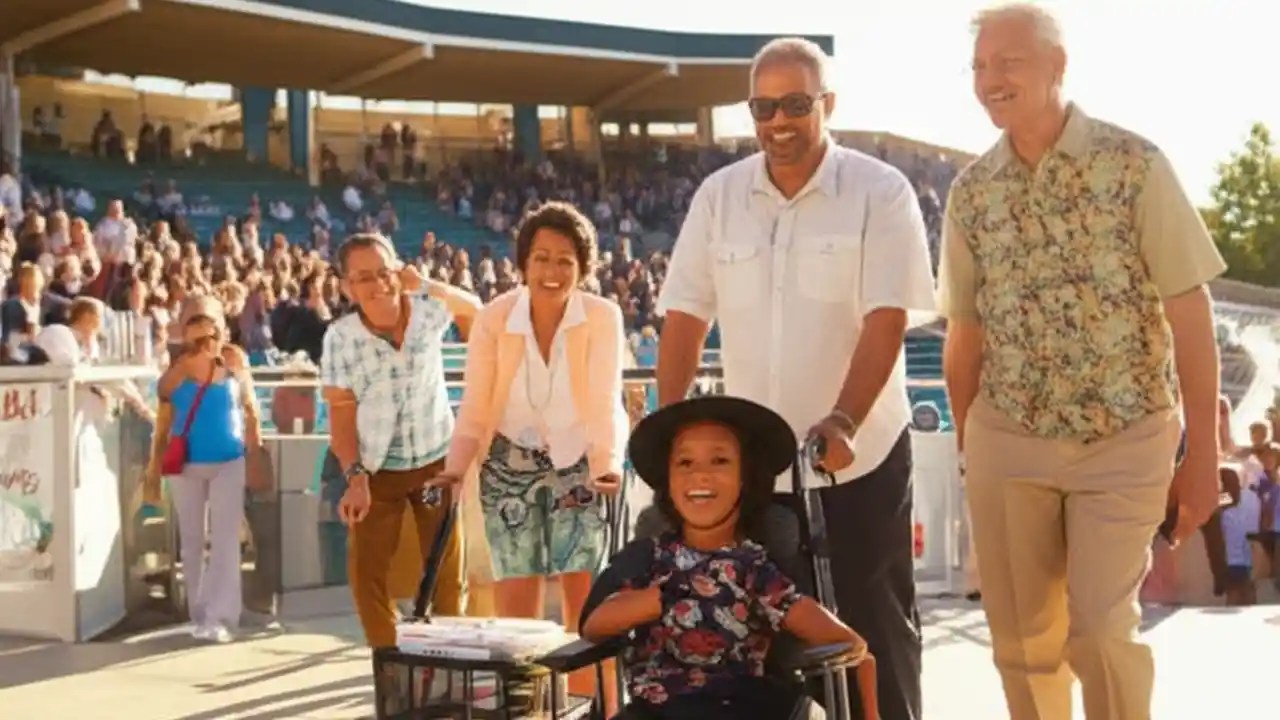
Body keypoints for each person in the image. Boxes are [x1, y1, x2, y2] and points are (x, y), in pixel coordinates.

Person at [936, 5, 1226, 719]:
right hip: (1009, 435)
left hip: (1125, 435)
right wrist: (974, 449)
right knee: (1022, 646)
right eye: (979, 65)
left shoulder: (1134, 164)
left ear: (1059, 67)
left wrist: (1202, 453)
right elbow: (964, 335)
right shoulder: (972, 193)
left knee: (1099, 630)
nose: (990, 79)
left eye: (1009, 61)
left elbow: (1191, 313)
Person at [655, 37, 935, 720]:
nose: (778, 121)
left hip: (859, 460)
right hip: (759, 477)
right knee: (762, 644)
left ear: (827, 105)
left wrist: (844, 417)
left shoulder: (879, 190)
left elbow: (886, 318)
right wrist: (671, 431)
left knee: (874, 632)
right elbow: (685, 318)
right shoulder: (719, 197)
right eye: (763, 106)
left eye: (795, 104)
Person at [430, 201, 628, 702]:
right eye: (541, 257)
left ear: (583, 268)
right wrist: (454, 470)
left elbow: (606, 399)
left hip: (578, 461)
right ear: (523, 263)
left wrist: (606, 464)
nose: (552, 271)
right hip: (507, 463)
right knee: (518, 600)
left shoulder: (603, 316)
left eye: (565, 260)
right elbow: (475, 404)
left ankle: (595, 707)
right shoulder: (495, 317)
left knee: (585, 600)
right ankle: (527, 708)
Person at [582, 395, 875, 720]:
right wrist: (663, 597)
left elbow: (852, 646)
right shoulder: (649, 559)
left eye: (719, 461)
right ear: (668, 481)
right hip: (655, 712)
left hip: (736, 709)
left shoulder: (753, 571)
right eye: (685, 463)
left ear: (745, 479)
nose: (700, 475)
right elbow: (595, 627)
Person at [318, 233, 481, 651]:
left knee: (445, 570)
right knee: (367, 572)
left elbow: (475, 310)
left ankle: (448, 661)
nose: (377, 284)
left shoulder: (427, 311)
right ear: (347, 286)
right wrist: (355, 477)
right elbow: (341, 412)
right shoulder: (340, 337)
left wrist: (425, 284)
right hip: (377, 472)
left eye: (383, 271)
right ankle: (391, 661)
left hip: (434, 467)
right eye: (364, 277)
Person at [146, 295, 263, 642]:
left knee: (225, 539)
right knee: (193, 541)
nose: (203, 338)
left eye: (209, 328)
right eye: (194, 330)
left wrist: (256, 446)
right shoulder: (177, 369)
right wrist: (188, 362)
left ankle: (222, 615)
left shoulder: (233, 360)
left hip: (229, 459)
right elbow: (163, 404)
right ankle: (198, 612)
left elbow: (249, 404)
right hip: (186, 463)